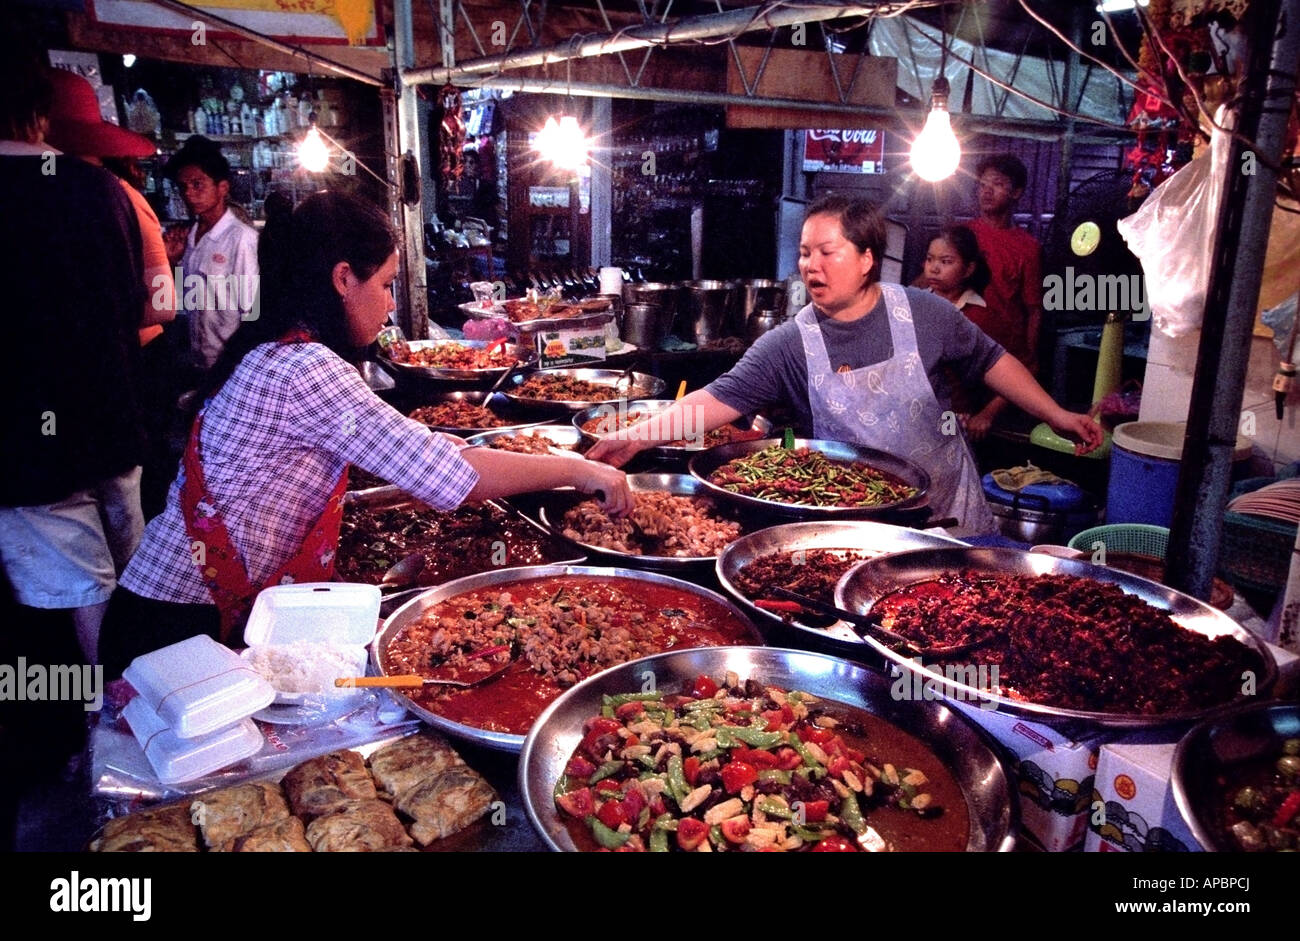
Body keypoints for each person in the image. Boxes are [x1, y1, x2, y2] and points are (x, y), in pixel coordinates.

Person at [98, 191, 631, 677]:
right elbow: (456, 481)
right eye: (386, 285)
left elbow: (359, 452)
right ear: (342, 278)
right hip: (171, 627)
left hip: (181, 609)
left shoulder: (274, 346)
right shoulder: (304, 366)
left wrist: (429, 447)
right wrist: (580, 469)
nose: (393, 303)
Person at [587, 194, 1102, 534]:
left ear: (866, 257)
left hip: (950, 512)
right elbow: (717, 398)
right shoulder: (791, 342)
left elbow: (993, 361)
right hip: (859, 522)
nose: (811, 264)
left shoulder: (923, 311)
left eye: (827, 252)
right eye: (805, 252)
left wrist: (1055, 413)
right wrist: (639, 437)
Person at [0, 55, 148, 661]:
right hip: (109, 414)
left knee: (79, 586)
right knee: (134, 570)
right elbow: (137, 302)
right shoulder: (102, 190)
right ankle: (151, 700)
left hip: (27, 437)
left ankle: (104, 718)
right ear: (40, 117)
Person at [164, 135, 259, 371]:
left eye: (198, 184)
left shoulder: (241, 239)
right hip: (198, 362)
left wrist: (240, 364)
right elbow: (185, 302)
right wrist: (172, 263)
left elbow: (252, 311)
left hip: (231, 365)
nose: (189, 194)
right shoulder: (189, 237)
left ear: (222, 187)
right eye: (183, 187)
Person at [922, 224, 1003, 442]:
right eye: (930, 259)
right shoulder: (913, 305)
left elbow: (1014, 372)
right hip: (917, 414)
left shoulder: (982, 315)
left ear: (968, 269)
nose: (934, 268)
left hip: (957, 418)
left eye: (946, 262)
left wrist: (986, 414)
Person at [967, 154, 1044, 377]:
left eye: (997, 184)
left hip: (1005, 354)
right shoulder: (963, 235)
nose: (987, 191)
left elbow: (1034, 310)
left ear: (1016, 192)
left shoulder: (1028, 248)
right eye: (982, 184)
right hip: (963, 347)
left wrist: (1030, 357)